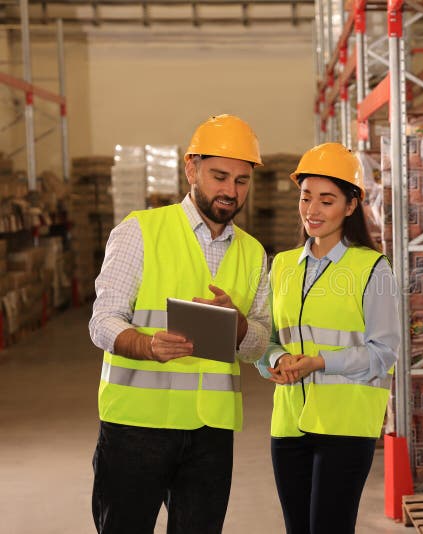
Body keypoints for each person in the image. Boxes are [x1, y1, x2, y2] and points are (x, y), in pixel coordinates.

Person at [88, 114, 271, 534]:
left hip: (211, 432)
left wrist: (241, 328)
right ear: (191, 168)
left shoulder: (253, 253)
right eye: (219, 176)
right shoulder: (140, 231)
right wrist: (146, 345)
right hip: (137, 427)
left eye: (241, 181)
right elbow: (102, 321)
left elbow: (259, 343)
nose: (230, 190)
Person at [255, 142, 401, 534]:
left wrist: (320, 362)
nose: (312, 210)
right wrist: (273, 361)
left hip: (346, 427)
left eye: (326, 200)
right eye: (306, 198)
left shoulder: (373, 268)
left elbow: (384, 352)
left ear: (351, 206)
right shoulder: (282, 266)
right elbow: (265, 340)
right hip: (288, 425)